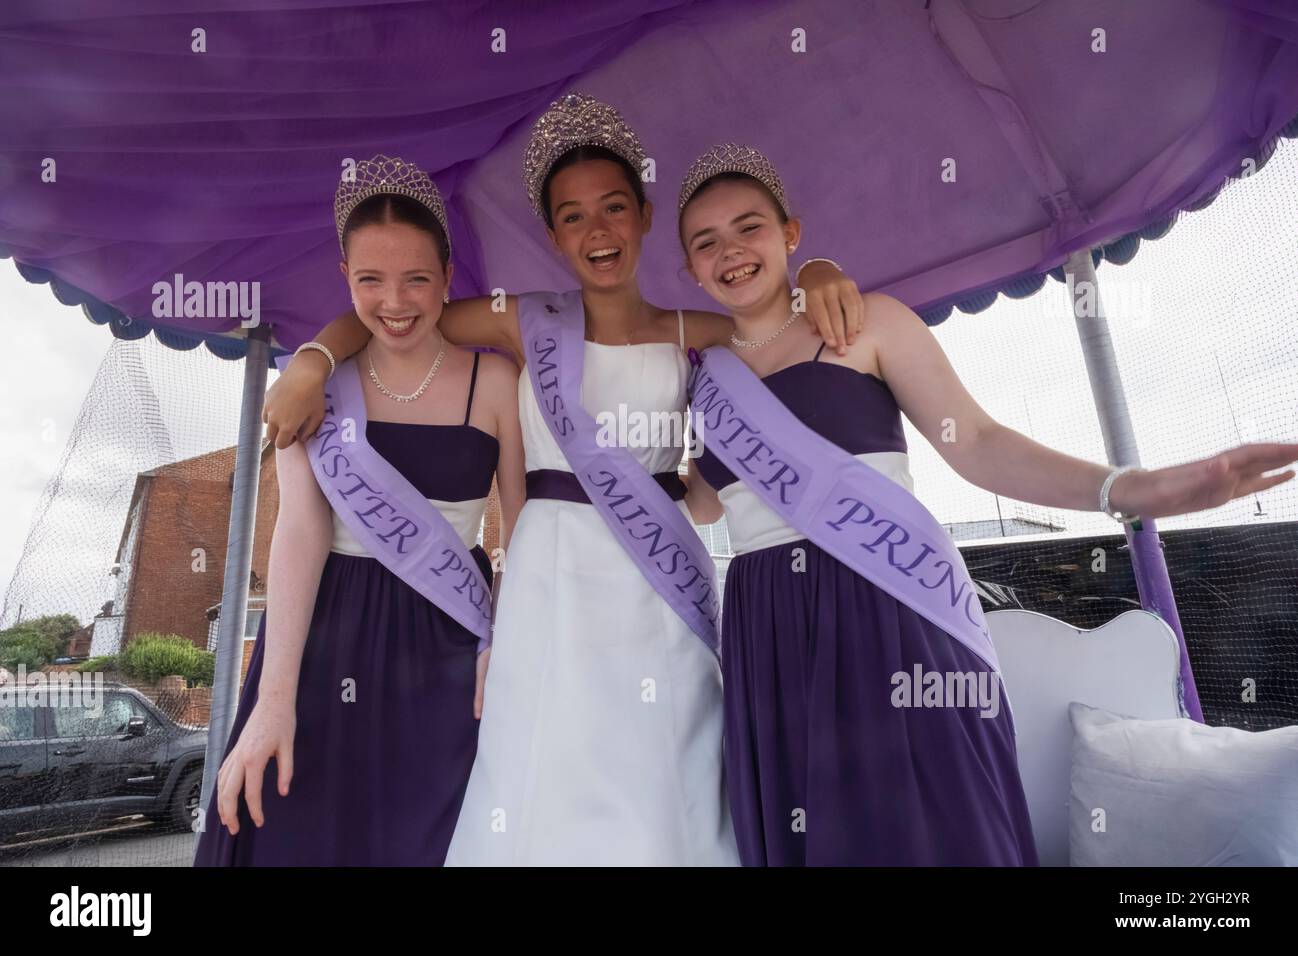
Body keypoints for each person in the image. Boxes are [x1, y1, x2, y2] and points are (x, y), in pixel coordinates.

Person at [263, 95, 863, 865]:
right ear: (552, 234)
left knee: (663, 752)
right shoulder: (523, 319)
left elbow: (775, 317)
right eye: (573, 216)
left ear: (645, 216)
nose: (597, 230)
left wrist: (817, 268)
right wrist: (314, 358)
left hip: (654, 573)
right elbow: (404, 308)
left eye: (614, 207)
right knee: (545, 753)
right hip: (546, 567)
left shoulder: (696, 330)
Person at [676, 144, 1298, 866]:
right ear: (690, 267)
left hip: (887, 604)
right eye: (706, 242)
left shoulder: (866, 322)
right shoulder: (704, 385)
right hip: (768, 628)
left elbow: (974, 441)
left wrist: (1133, 488)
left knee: (921, 823)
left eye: (748, 227)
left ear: (790, 233)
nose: (730, 251)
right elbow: (703, 503)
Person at [194, 156, 525, 865]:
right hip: (320, 641)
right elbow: (301, 534)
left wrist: (506, 641)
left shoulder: (495, 382)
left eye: (416, 278)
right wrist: (272, 700)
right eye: (371, 279)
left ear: (446, 275)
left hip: (447, 649)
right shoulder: (315, 386)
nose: (395, 301)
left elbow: (523, 529)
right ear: (345, 276)